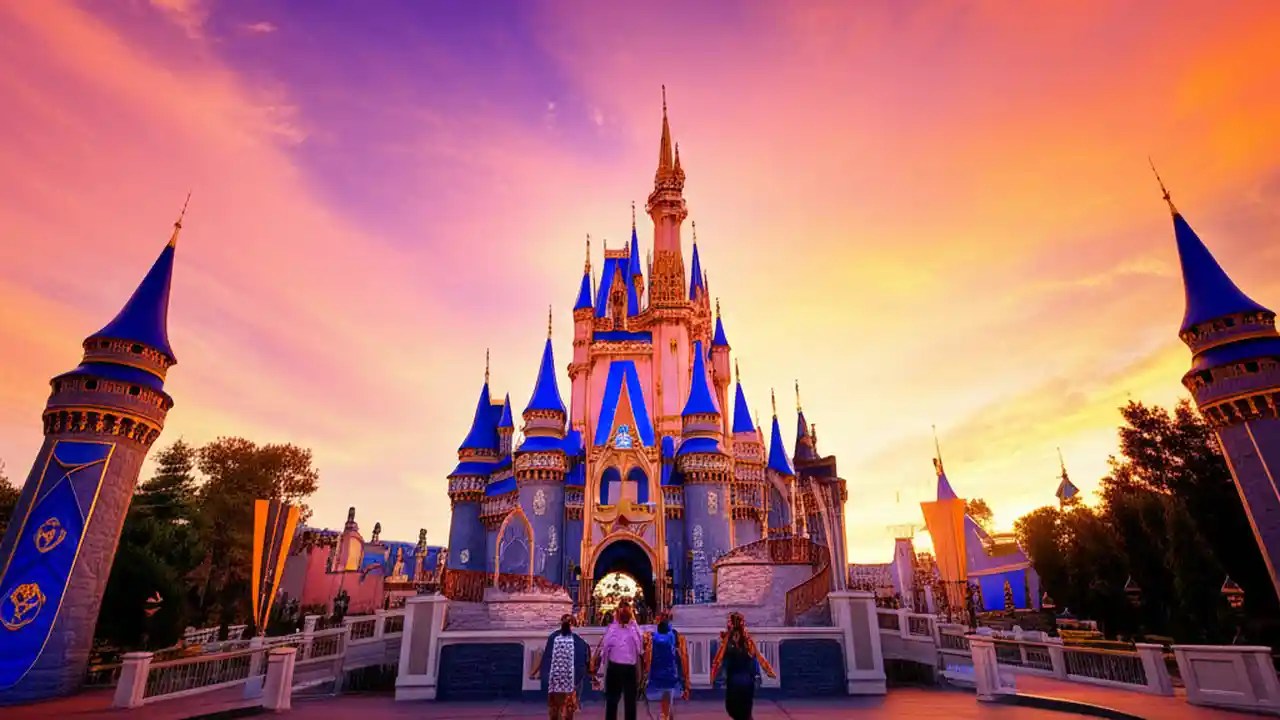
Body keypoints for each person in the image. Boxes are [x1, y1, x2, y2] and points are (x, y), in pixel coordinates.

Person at [709, 612, 776, 720]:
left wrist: (714, 674)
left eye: (729, 621)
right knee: (744, 712)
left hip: (736, 681)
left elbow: (718, 658)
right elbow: (758, 657)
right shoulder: (746, 640)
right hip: (746, 681)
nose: (727, 623)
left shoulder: (731, 640)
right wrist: (768, 670)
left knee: (735, 710)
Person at [530, 613, 591, 720]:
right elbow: (582, 664)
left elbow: (546, 659)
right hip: (571, 682)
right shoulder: (580, 641)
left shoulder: (553, 637)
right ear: (573, 624)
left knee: (555, 710)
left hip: (555, 682)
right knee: (568, 711)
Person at [594, 601, 643, 720]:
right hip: (627, 667)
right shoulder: (633, 630)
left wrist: (603, 662)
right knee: (629, 700)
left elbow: (605, 647)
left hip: (616, 667)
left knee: (613, 699)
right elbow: (640, 648)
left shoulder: (613, 629)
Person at [642, 611, 690, 720]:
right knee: (667, 705)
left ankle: (665, 716)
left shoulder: (652, 637)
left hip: (656, 676)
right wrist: (687, 682)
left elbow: (648, 659)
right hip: (671, 674)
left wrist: (645, 675)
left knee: (662, 708)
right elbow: (684, 658)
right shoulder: (677, 637)